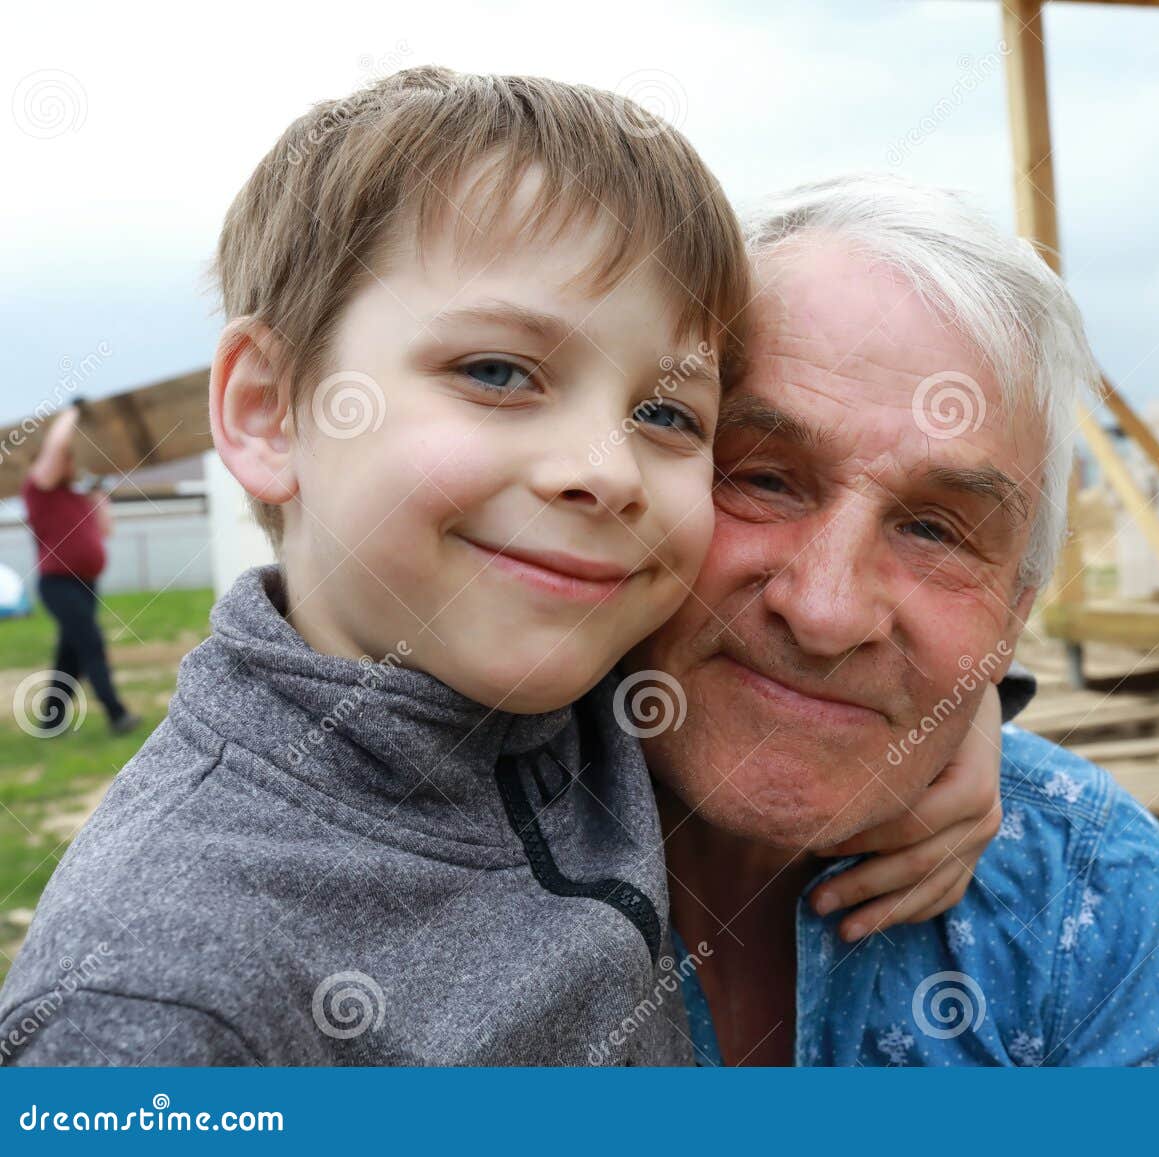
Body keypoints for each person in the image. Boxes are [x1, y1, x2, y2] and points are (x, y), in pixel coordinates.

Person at [0, 69, 1000, 1066]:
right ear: (268, 408)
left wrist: (971, 730)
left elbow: (807, 663)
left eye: (664, 414)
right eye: (497, 372)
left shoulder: (581, 694)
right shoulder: (156, 989)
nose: (606, 474)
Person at [634, 175, 1159, 1065]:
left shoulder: (1085, 891)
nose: (826, 611)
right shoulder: (436, 799)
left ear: (1017, 612)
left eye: (933, 530)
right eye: (762, 476)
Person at [20, 402, 141, 735]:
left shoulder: (75, 497)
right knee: (91, 645)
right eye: (67, 459)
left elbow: (106, 530)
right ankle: (117, 715)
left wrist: (100, 493)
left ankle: (51, 719)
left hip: (85, 584)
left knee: (70, 655)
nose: (70, 462)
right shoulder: (38, 490)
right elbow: (57, 447)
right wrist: (72, 412)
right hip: (58, 584)